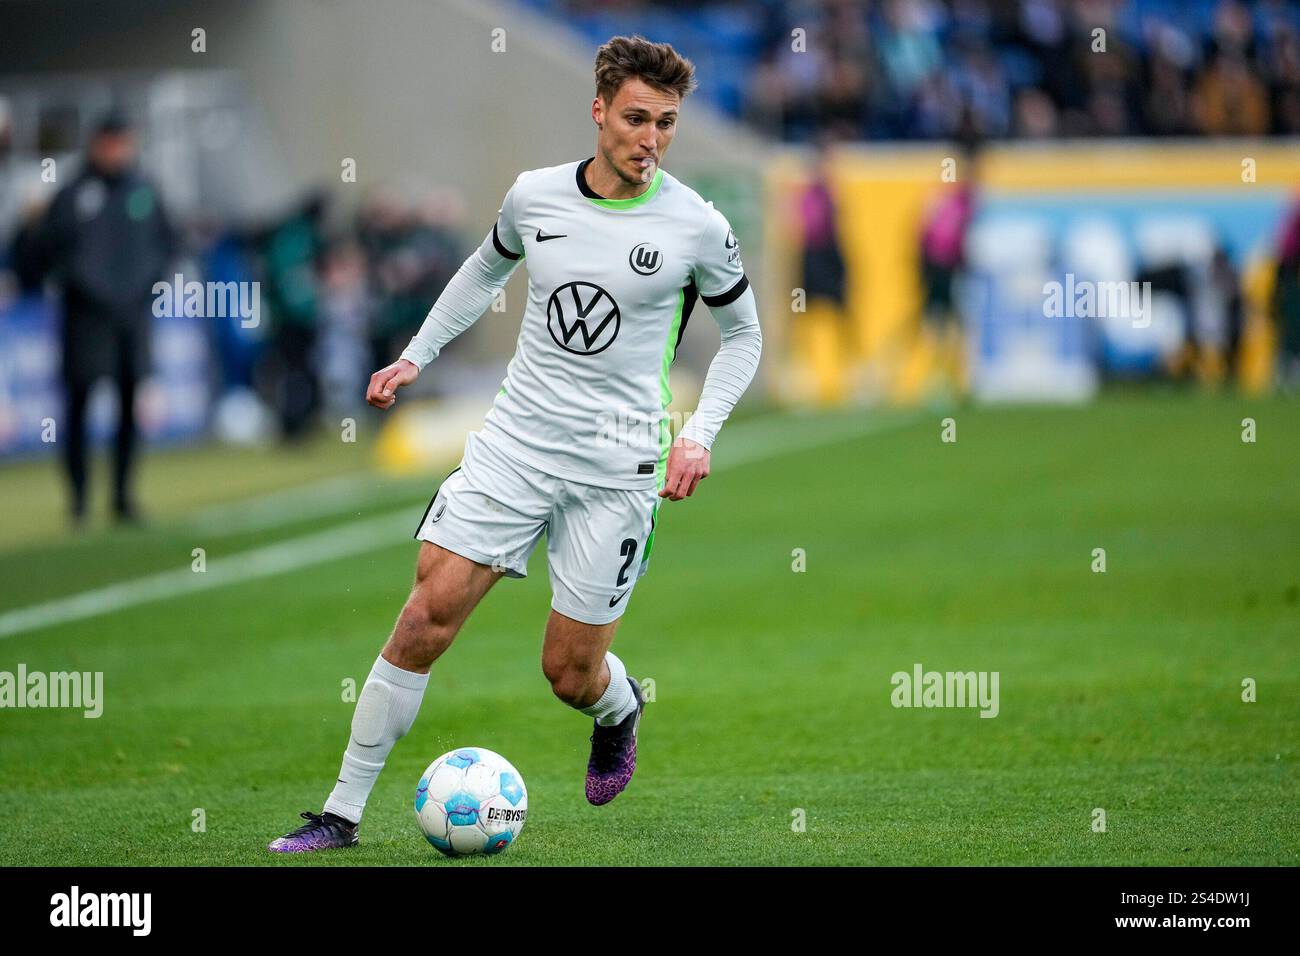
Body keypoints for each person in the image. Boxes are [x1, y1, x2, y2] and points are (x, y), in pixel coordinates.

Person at [269, 35, 763, 852]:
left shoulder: (695, 225)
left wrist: (700, 435)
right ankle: (340, 813)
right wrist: (415, 356)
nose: (651, 139)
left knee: (568, 673)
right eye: (637, 118)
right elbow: (481, 273)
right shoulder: (534, 197)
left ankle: (618, 707)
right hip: (516, 446)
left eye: (667, 124)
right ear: (598, 108)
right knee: (425, 615)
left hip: (619, 465)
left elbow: (744, 336)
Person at [12, 112, 176, 525]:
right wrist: (30, 228)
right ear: (98, 144)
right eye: (113, 142)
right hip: (85, 318)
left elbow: (167, 243)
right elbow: (37, 258)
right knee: (80, 404)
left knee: (128, 403)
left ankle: (122, 497)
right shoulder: (71, 193)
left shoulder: (144, 191)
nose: (120, 151)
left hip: (132, 316)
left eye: (126, 142)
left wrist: (146, 285)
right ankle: (79, 499)